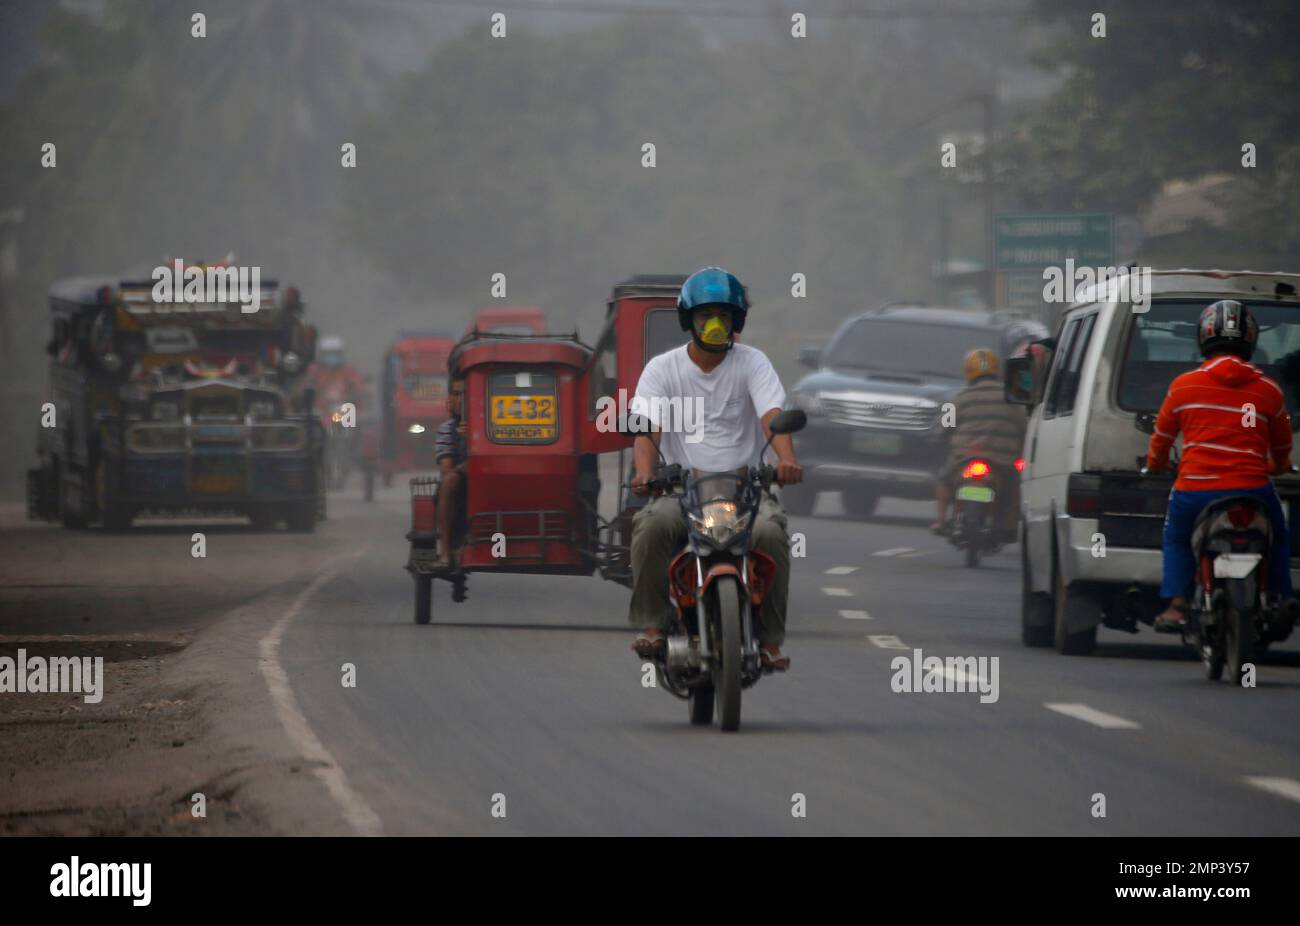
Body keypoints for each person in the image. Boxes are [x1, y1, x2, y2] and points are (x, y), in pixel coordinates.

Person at [628, 267, 802, 671]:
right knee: (651, 526)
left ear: (736, 321)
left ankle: (771, 639)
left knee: (770, 533)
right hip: (680, 488)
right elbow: (646, 428)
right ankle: (652, 626)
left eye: (724, 315)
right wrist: (643, 473)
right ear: (690, 320)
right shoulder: (662, 369)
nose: (715, 324)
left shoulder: (753, 363)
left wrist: (786, 461)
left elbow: (772, 415)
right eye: (706, 315)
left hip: (745, 489)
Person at [1146, 300, 1296, 631]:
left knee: (1176, 537)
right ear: (1252, 340)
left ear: (1203, 337)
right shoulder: (1269, 391)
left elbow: (1161, 438)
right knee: (1279, 536)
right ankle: (1282, 595)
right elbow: (1283, 444)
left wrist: (1155, 465)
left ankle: (1178, 605)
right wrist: (1278, 465)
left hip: (1194, 490)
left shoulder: (1183, 386)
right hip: (1254, 490)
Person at [932, 348, 1025, 539]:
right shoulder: (1012, 397)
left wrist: (943, 436)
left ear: (968, 371)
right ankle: (1009, 524)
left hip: (964, 458)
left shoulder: (959, 397)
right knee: (1016, 485)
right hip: (1003, 461)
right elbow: (1024, 425)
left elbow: (943, 427)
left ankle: (941, 520)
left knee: (943, 480)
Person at [433, 375, 467, 570]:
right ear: (450, 399)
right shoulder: (447, 429)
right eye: (456, 394)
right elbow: (446, 468)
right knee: (449, 482)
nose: (460, 399)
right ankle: (445, 552)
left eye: (464, 393)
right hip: (462, 480)